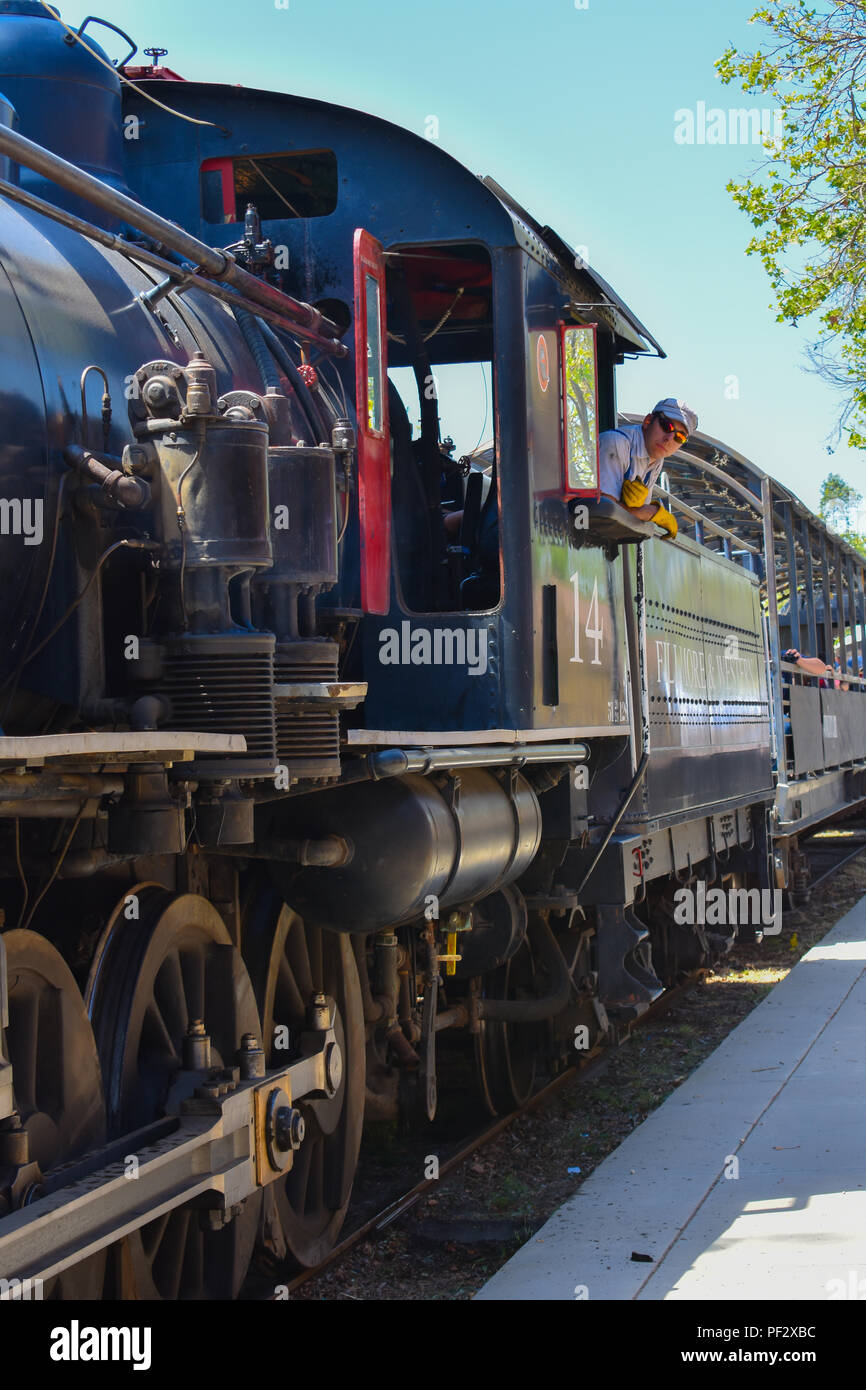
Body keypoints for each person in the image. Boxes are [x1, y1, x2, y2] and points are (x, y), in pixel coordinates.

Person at [599, 398, 698, 539]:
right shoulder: (616, 442)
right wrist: (653, 512)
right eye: (666, 426)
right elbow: (605, 510)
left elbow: (637, 518)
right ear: (648, 421)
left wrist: (642, 510)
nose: (669, 438)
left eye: (680, 437)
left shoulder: (657, 460)